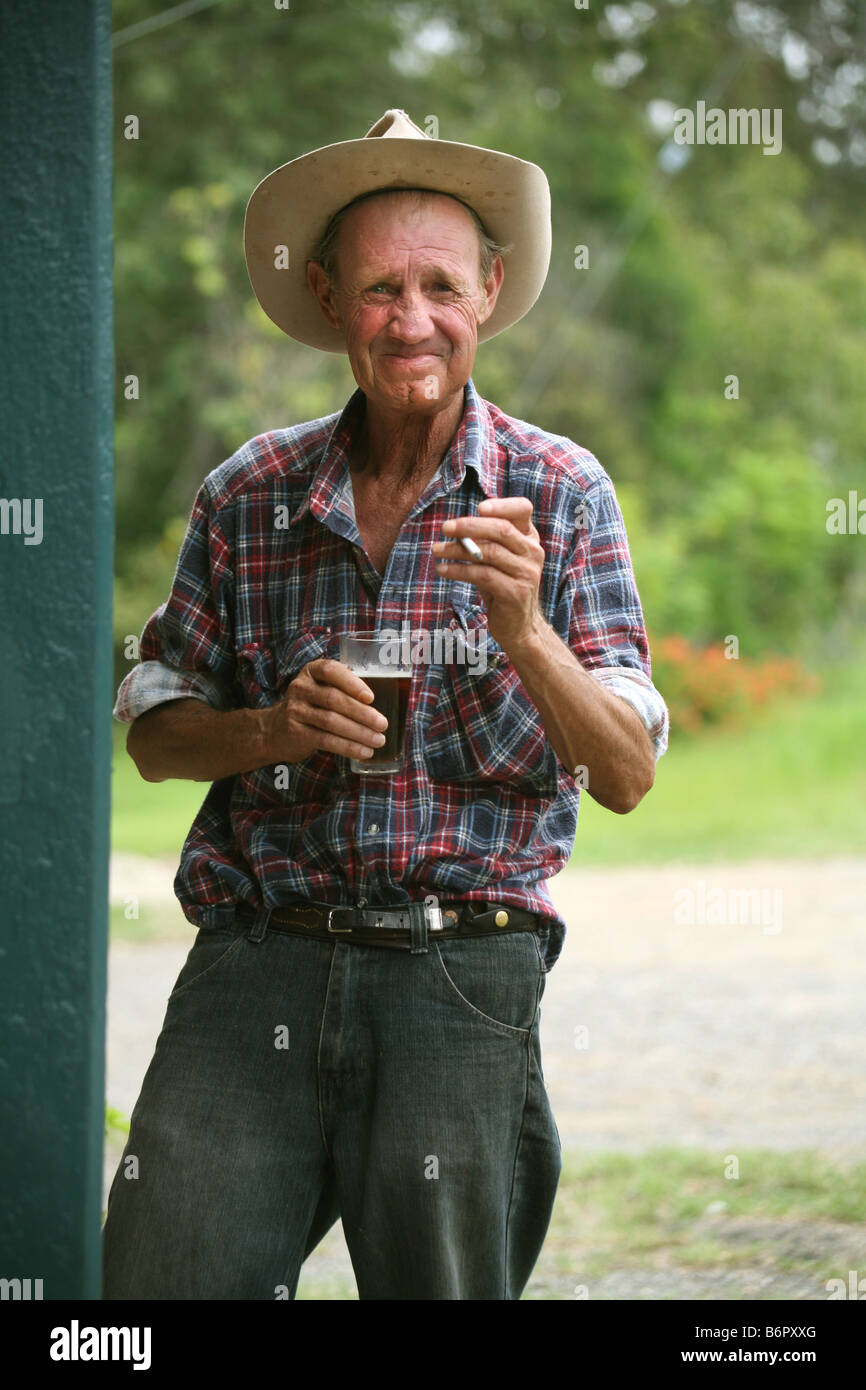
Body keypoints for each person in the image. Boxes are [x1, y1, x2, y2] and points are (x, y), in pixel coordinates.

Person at [102, 109, 669, 1301]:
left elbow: (625, 772)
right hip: (255, 958)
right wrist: (272, 729)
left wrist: (523, 630)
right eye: (378, 289)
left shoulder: (559, 492)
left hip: (459, 974)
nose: (411, 319)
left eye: (438, 286)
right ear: (326, 297)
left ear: (488, 292)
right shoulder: (248, 492)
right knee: (153, 1296)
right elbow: (154, 731)